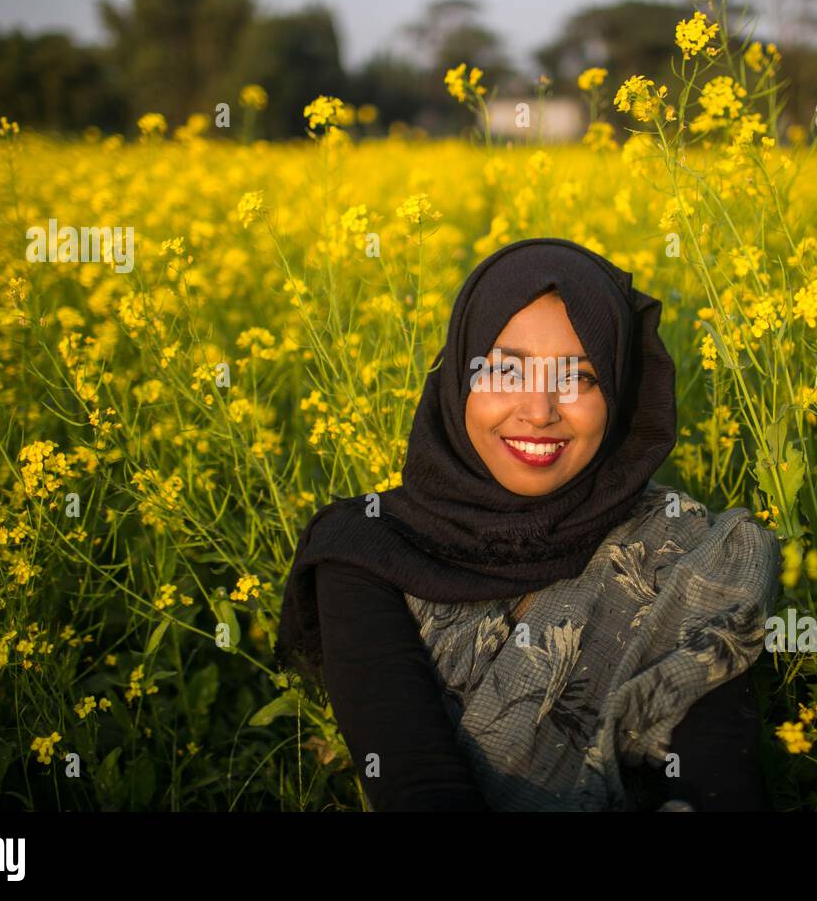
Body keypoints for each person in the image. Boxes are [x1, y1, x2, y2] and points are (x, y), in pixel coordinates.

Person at [276, 237, 781, 811]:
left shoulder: (688, 556)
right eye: (504, 371)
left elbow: (716, 789)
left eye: (580, 378)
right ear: (457, 380)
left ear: (618, 391)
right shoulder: (366, 550)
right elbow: (417, 784)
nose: (539, 411)